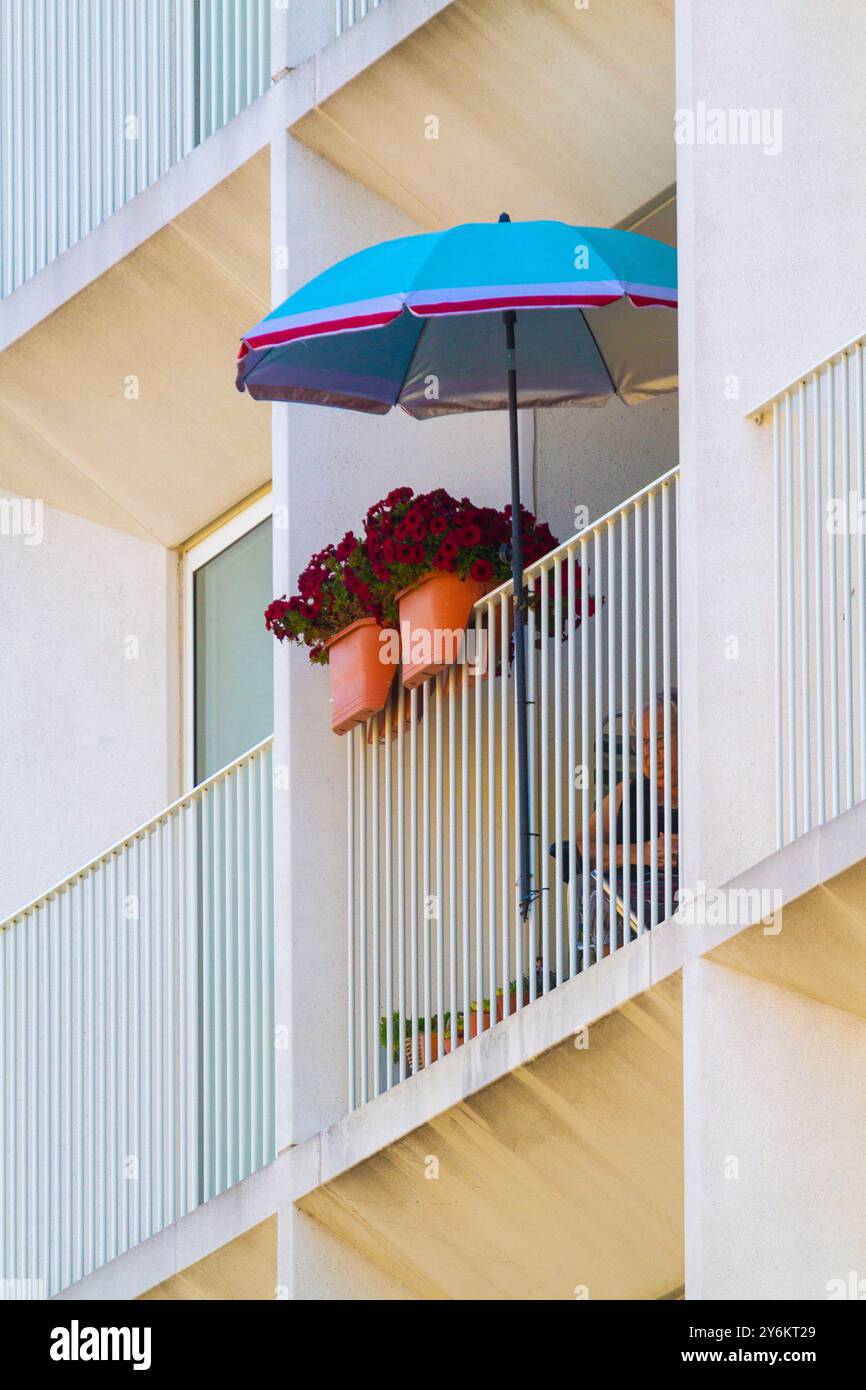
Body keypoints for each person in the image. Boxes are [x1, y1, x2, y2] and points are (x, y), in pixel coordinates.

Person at [550, 692, 679, 960]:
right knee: (591, 887)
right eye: (642, 742)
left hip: (686, 902)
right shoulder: (625, 793)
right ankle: (611, 970)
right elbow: (581, 847)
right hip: (630, 906)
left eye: (659, 738)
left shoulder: (709, 791)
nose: (649, 750)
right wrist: (642, 852)